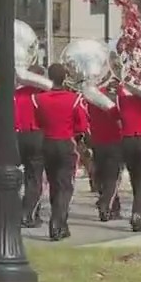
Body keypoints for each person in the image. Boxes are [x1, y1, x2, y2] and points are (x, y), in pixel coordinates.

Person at [34, 63, 90, 241]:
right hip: (66, 143)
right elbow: (82, 124)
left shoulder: (38, 98)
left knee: (54, 183)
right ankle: (57, 223)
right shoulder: (74, 98)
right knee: (65, 185)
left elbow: (37, 122)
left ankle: (60, 222)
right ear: (65, 77)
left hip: (47, 143)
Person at [117, 81, 141, 232]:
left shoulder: (122, 96)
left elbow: (116, 113)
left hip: (127, 139)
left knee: (136, 179)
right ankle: (138, 215)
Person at [87, 81, 123, 222]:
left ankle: (113, 207)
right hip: (115, 140)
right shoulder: (119, 97)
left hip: (98, 140)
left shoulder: (92, 96)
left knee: (103, 175)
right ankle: (106, 203)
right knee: (113, 177)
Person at [16, 66, 47, 227]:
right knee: (35, 177)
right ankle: (28, 214)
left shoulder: (17, 93)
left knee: (19, 176)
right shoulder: (43, 94)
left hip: (17, 135)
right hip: (36, 135)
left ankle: (22, 209)